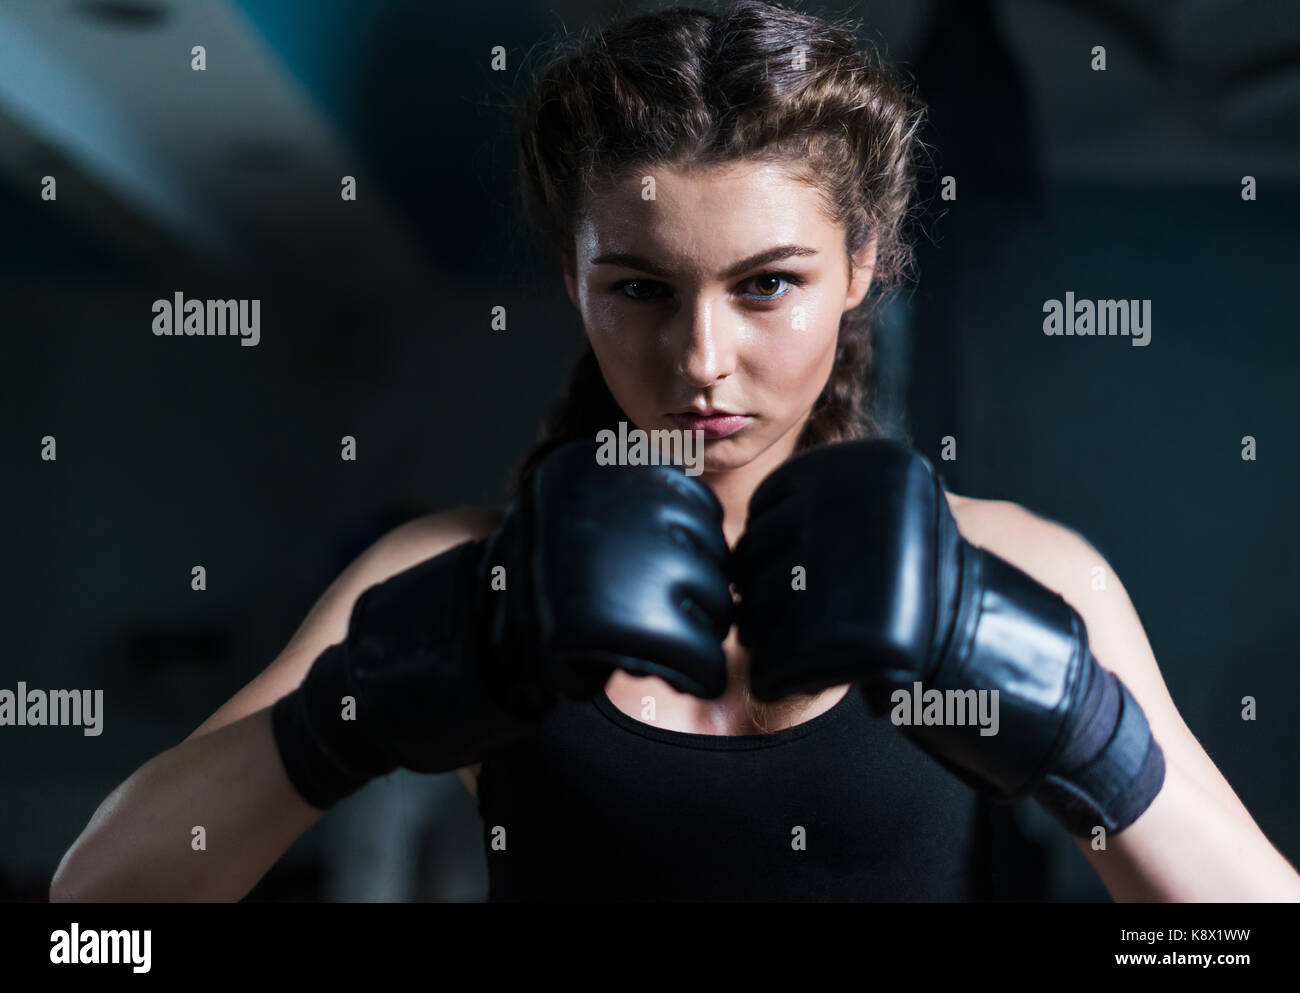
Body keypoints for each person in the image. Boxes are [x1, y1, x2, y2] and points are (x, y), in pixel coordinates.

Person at [51, 0, 1300, 903]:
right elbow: (92, 923)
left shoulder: (1024, 568)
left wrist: (1082, 727)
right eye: (642, 288)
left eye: (767, 285)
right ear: (573, 279)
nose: (701, 356)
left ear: (861, 267)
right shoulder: (460, 572)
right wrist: (360, 705)